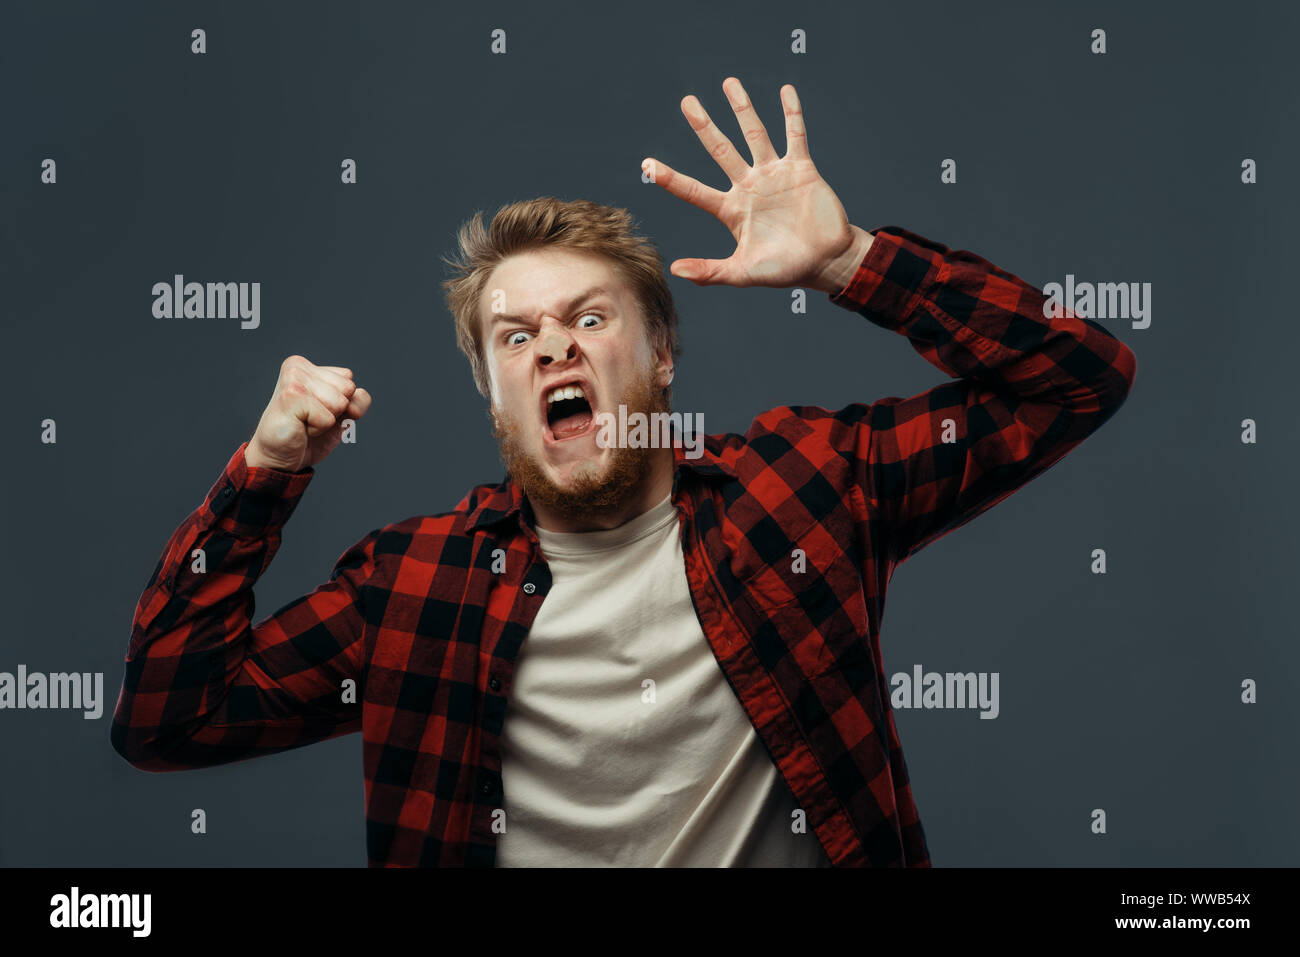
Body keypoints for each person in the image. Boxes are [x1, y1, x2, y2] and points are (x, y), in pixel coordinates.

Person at [111, 78, 1137, 867]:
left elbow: (1077, 378)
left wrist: (849, 261)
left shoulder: (801, 490)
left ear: (660, 356)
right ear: (488, 387)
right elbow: (168, 720)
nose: (553, 347)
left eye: (589, 319)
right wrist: (265, 470)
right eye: (514, 337)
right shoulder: (413, 588)